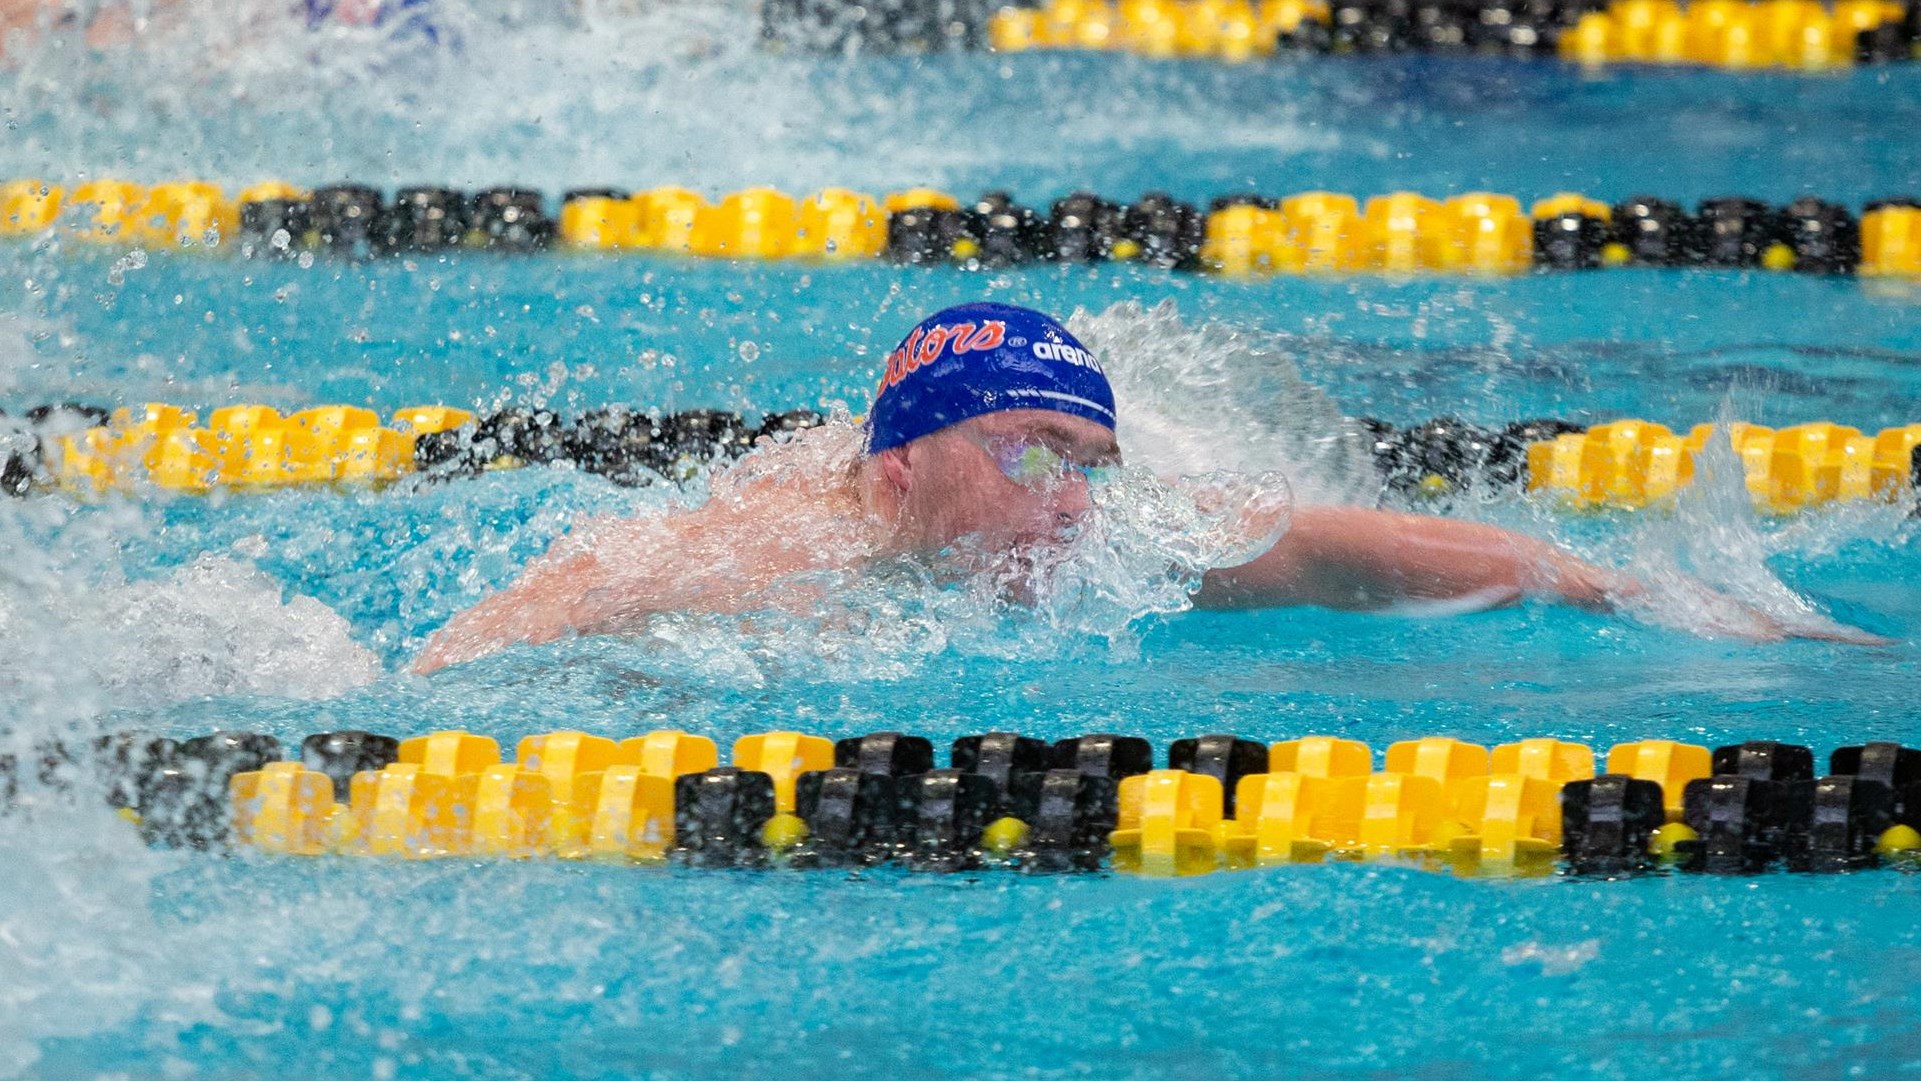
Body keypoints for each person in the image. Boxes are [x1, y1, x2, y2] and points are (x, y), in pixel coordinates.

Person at [413, 302, 1877, 674]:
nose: (1067, 504)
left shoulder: (1129, 542)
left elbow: (1359, 552)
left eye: (1089, 464)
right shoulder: (759, 555)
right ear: (895, 472)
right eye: (1025, 455)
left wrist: (1635, 584)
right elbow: (507, 630)